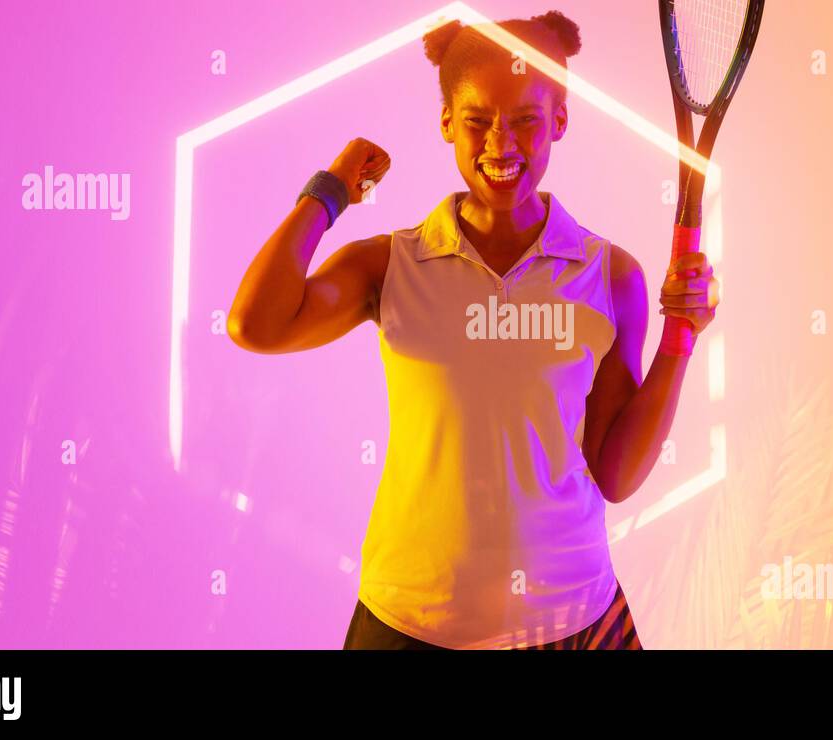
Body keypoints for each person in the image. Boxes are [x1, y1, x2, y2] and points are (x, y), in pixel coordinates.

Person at [228, 10, 719, 649]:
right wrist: (328, 193)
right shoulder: (389, 264)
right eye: (478, 121)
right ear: (446, 124)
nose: (500, 144)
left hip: (570, 619)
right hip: (408, 620)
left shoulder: (609, 274)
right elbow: (255, 325)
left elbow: (618, 474)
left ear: (559, 122)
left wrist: (681, 337)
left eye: (524, 121)